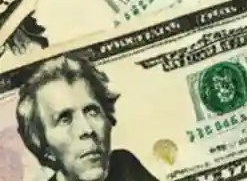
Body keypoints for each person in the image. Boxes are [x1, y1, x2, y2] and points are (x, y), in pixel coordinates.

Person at [15, 54, 157, 181]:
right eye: (65, 120)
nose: (87, 129)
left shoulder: (126, 169)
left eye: (92, 112)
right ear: (42, 144)